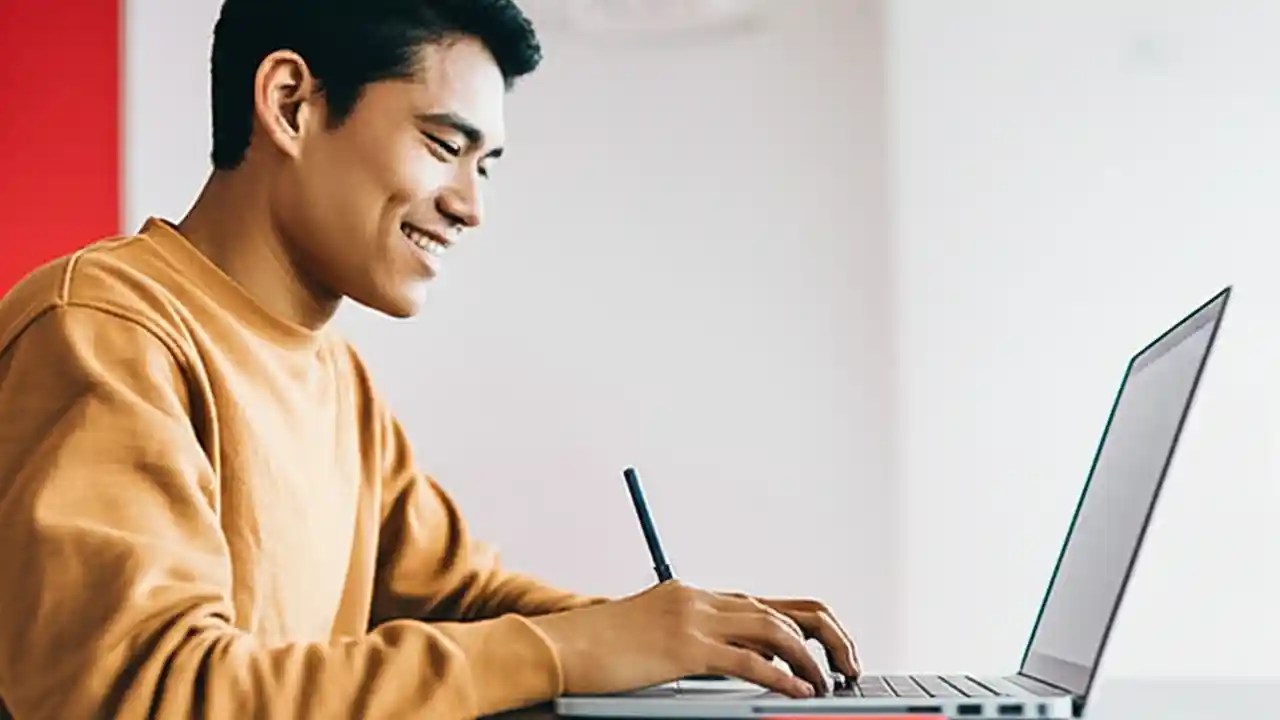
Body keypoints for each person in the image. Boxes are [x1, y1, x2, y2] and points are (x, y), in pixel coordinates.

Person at [0, 1, 861, 718]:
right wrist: (569, 648)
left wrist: (679, 633)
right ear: (291, 103)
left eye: (487, 166)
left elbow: (463, 600)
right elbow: (141, 692)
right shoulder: (104, 331)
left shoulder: (339, 379)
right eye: (445, 146)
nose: (471, 206)